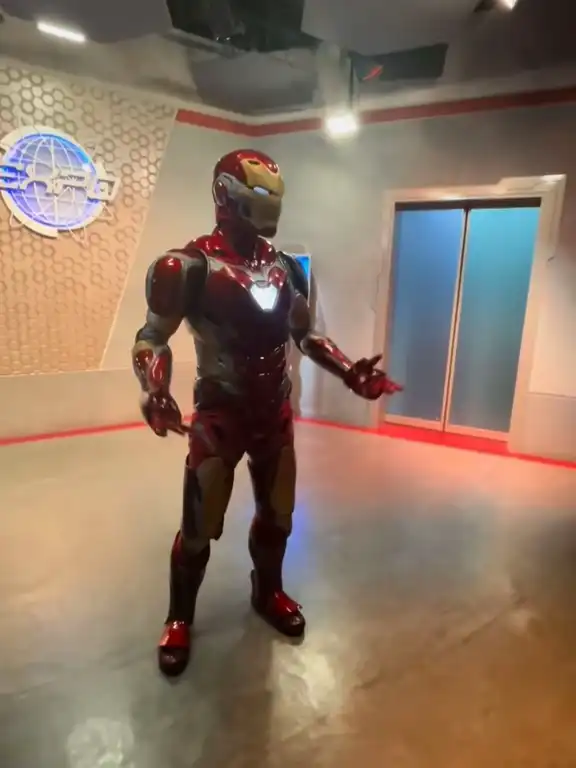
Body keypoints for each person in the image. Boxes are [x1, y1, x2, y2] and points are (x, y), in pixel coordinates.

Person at [131, 149, 402, 677]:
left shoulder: (285, 269)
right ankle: (179, 617)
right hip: (220, 416)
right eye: (259, 194)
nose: (270, 205)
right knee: (198, 527)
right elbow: (151, 337)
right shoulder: (185, 267)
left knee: (279, 515)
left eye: (275, 195)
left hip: (274, 412)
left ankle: (268, 591)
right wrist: (155, 387)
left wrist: (349, 371)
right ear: (225, 194)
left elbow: (306, 335)